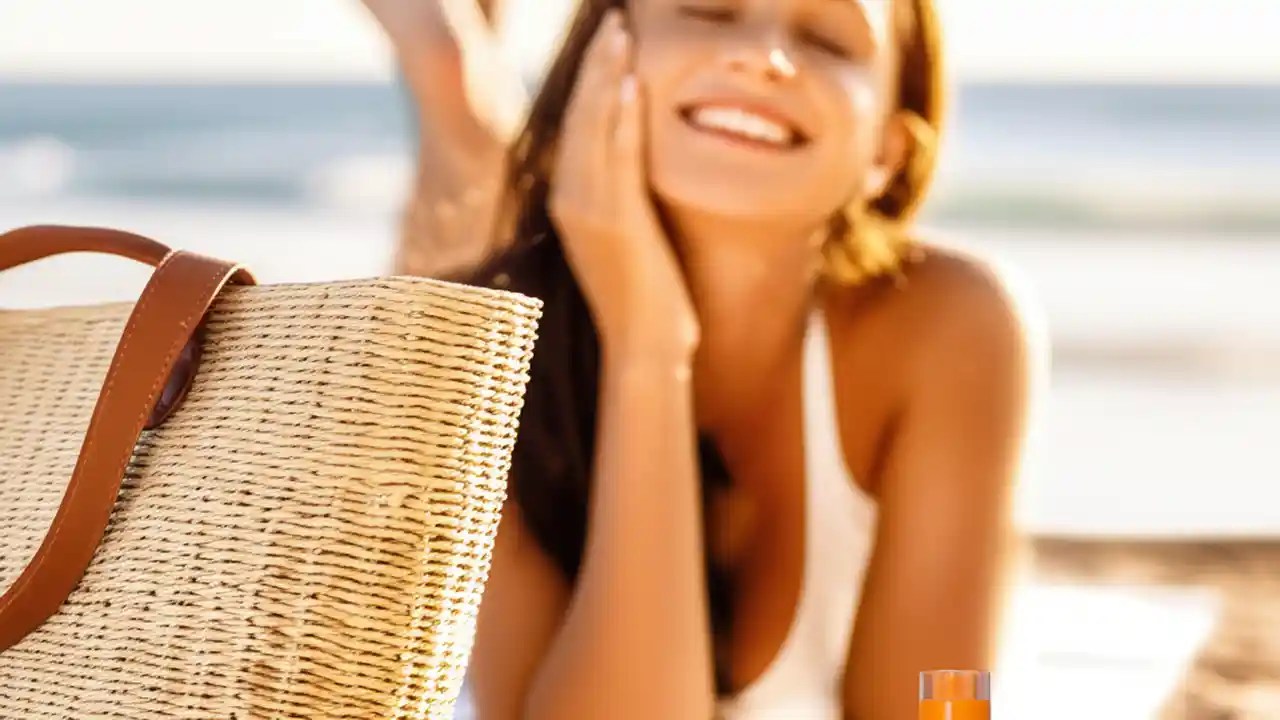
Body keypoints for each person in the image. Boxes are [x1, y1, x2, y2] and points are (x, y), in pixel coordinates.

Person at [361, 1, 1040, 719]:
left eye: (826, 40)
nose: (766, 59)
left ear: (886, 153)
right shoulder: (481, 366)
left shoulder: (954, 323)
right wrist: (647, 350)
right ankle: (448, 81)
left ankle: (453, 86)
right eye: (709, 11)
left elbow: (948, 705)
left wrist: (965, 705)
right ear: (599, 58)